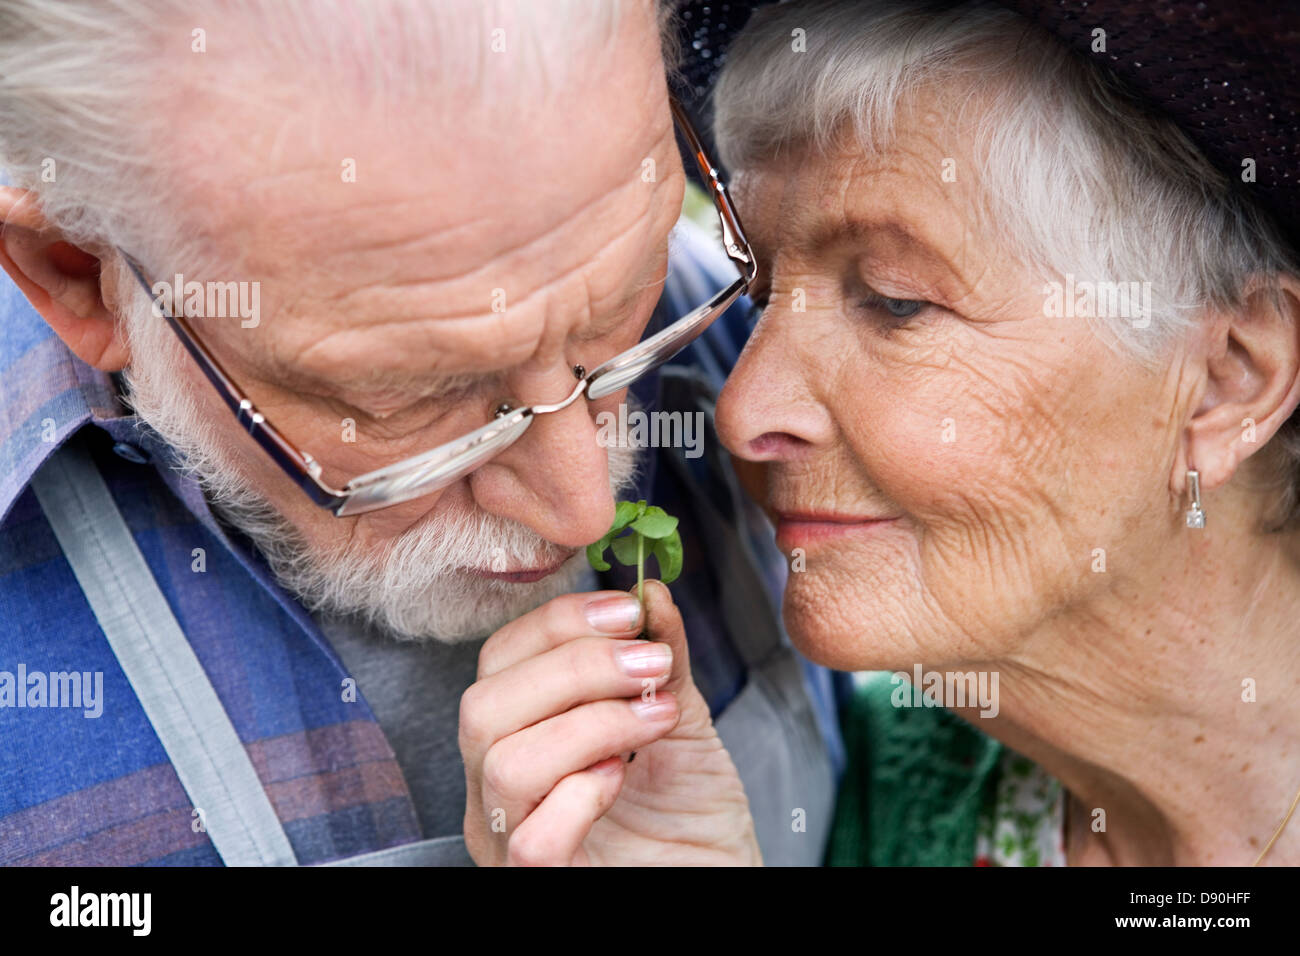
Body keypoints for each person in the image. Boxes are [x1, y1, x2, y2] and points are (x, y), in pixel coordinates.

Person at [0, 0, 841, 867]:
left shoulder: (759, 347)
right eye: (412, 399)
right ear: (76, 273)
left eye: (623, 308)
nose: (586, 507)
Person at [473, 0, 1300, 866]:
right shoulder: (891, 797)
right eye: (756, 293)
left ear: (1227, 377)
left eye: (895, 300)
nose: (742, 409)